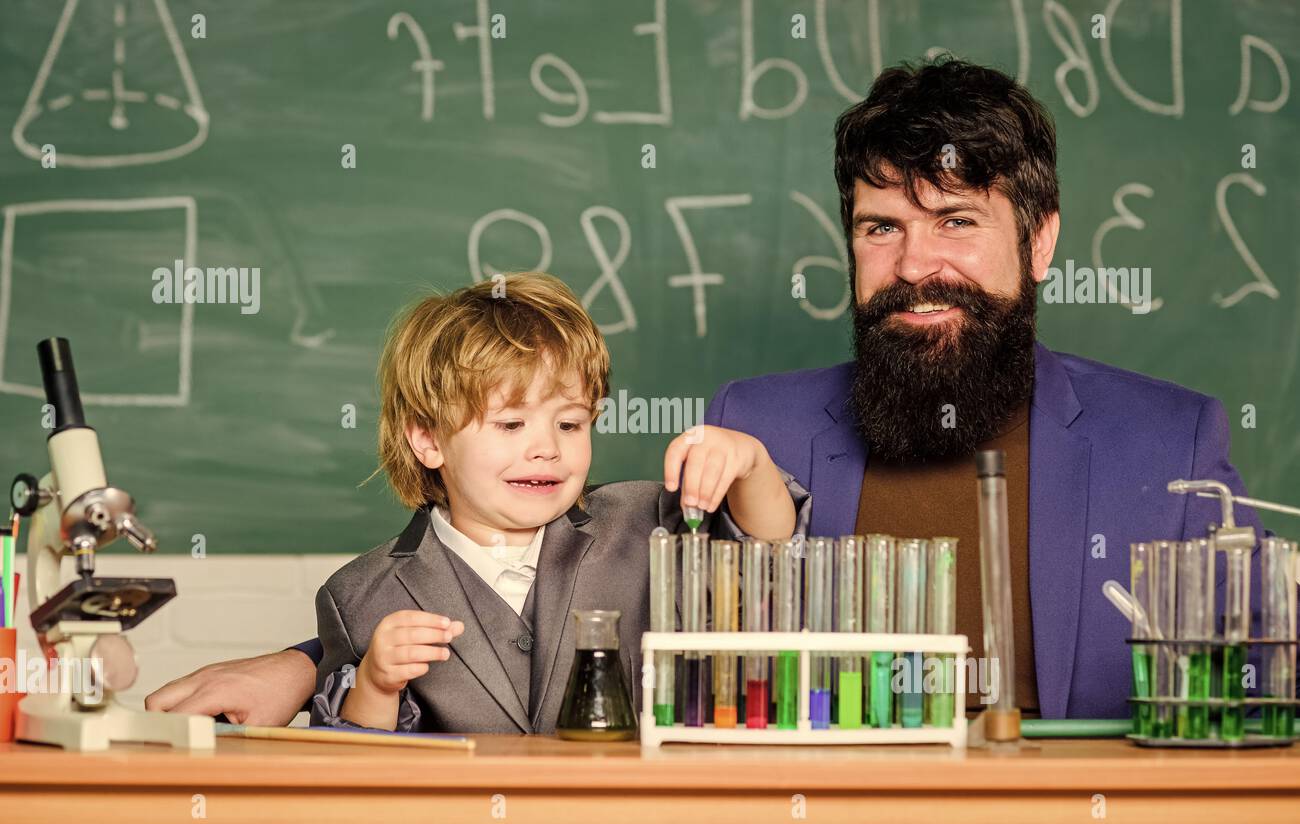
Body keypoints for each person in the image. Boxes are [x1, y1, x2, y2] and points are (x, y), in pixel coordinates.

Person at [148, 58, 1266, 725]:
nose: (917, 264)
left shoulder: (1165, 444)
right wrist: (311, 665)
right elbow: (556, 589)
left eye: (959, 223)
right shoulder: (758, 425)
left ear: (1042, 238)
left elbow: (1259, 693)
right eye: (883, 227)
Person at [159, 272, 804, 733]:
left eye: (571, 424)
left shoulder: (645, 523)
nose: (546, 450)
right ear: (429, 439)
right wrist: (377, 686)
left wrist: (748, 463)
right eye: (510, 425)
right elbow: (355, 768)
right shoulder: (357, 595)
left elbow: (770, 547)